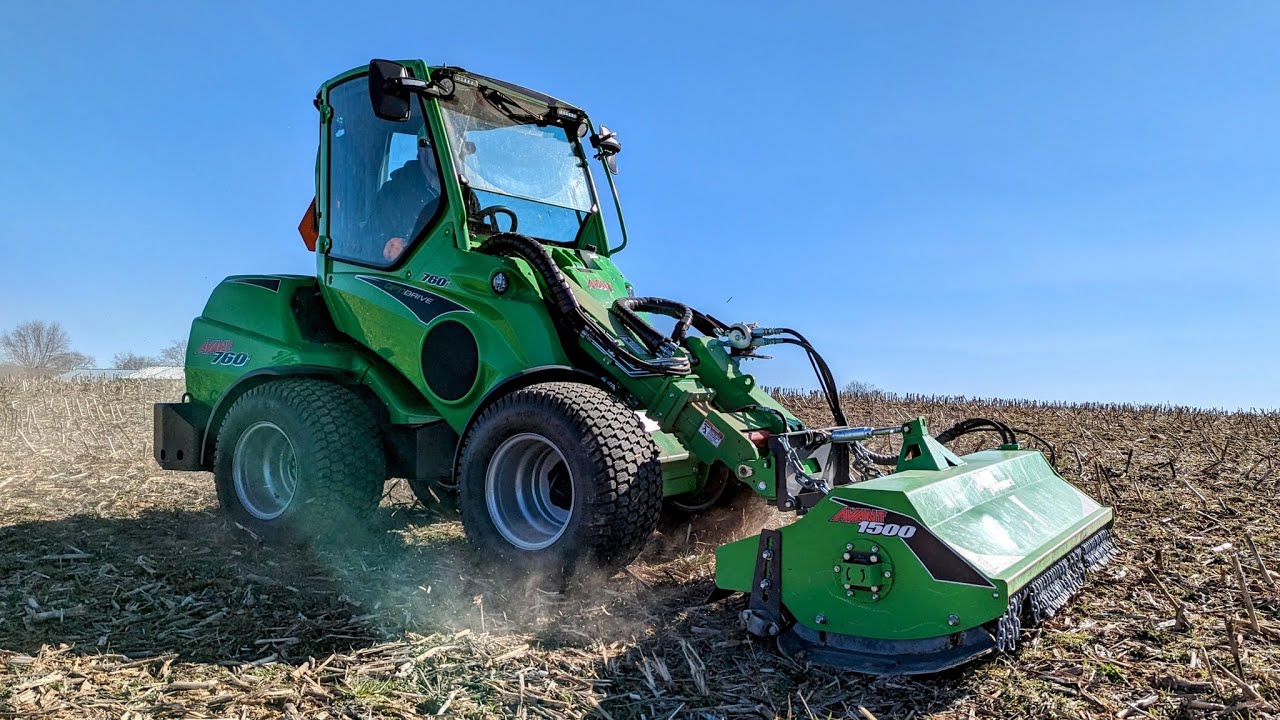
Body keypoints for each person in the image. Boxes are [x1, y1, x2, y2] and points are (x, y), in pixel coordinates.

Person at [370, 124, 442, 263]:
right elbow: (371, 236)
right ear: (422, 149)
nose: (449, 154)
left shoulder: (465, 198)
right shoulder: (395, 192)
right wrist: (390, 245)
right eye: (439, 145)